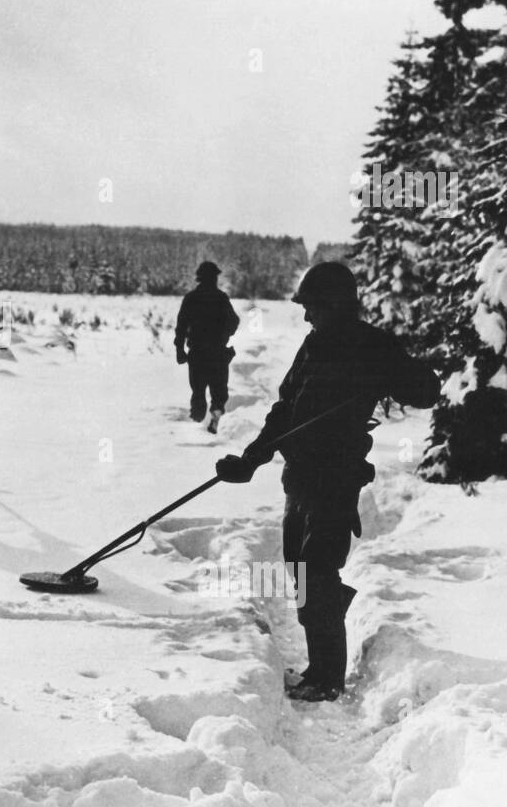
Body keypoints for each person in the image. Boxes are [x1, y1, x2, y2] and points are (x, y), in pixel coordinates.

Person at [214, 262, 440, 702]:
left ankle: (328, 677)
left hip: (336, 477)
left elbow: (426, 391)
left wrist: (398, 372)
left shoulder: (373, 345)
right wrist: (251, 458)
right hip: (299, 476)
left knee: (318, 567)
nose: (306, 316)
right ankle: (322, 659)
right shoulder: (314, 345)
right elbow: (285, 410)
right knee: (301, 569)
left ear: (334, 305)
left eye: (312, 306)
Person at [175, 260, 240, 433]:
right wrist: (224, 335)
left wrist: (180, 350)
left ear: (199, 278)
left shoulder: (191, 298)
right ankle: (214, 420)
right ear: (214, 278)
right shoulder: (221, 298)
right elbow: (234, 322)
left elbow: (181, 327)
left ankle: (196, 426)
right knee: (219, 393)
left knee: (198, 392)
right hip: (217, 354)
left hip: (197, 354)